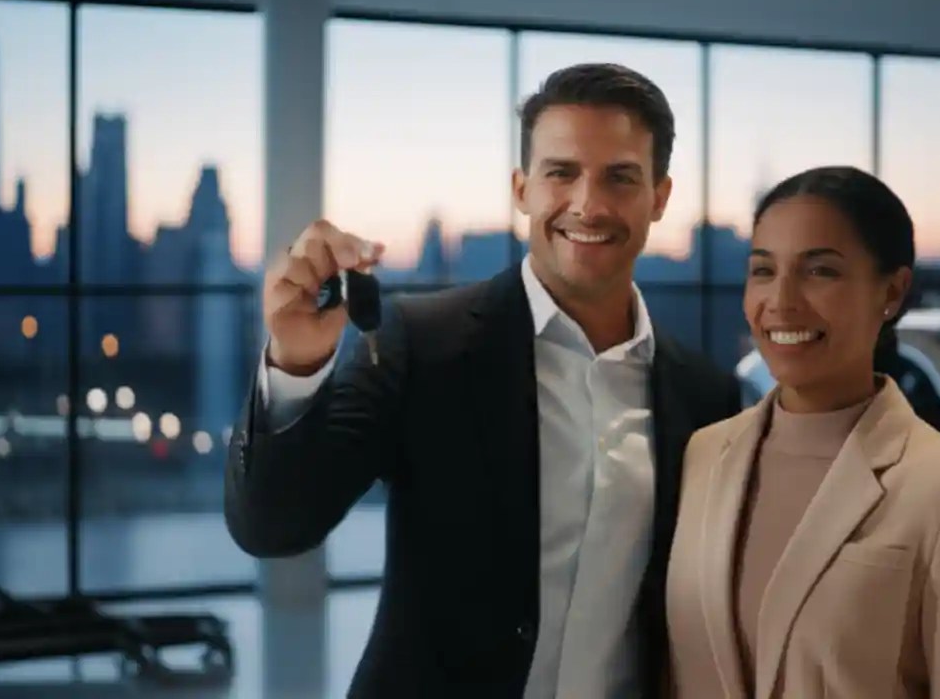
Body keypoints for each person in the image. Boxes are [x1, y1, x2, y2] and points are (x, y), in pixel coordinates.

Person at [225, 62, 741, 698]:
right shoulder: (420, 342)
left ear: (659, 197)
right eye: (562, 173)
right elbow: (274, 527)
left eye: (620, 177)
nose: (588, 203)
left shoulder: (705, 396)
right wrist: (297, 362)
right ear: (522, 189)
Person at [665, 166, 940, 698]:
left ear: (893, 292)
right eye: (763, 271)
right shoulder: (705, 453)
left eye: (820, 272)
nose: (780, 300)